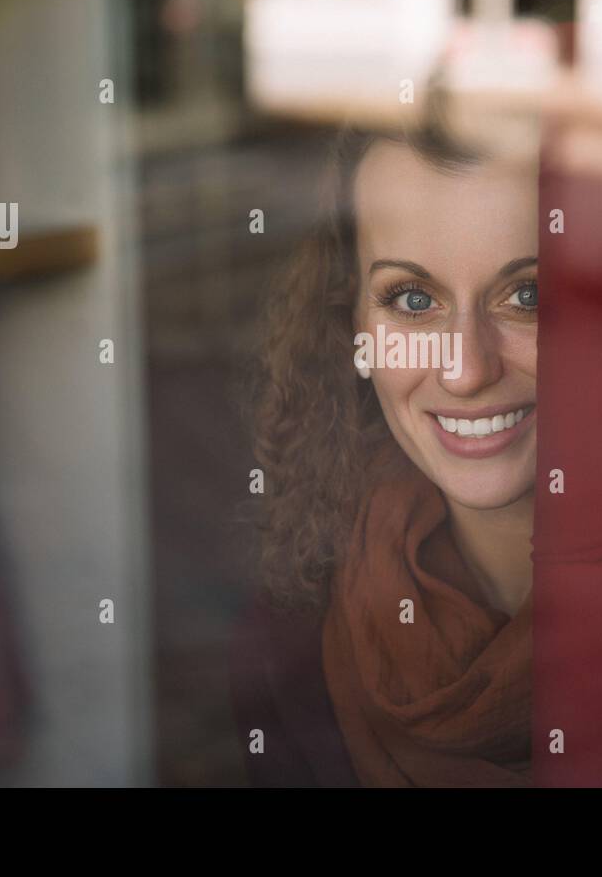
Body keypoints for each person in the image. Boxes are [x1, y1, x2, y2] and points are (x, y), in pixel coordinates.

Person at [231, 119, 539, 787]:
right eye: (414, 299)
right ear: (356, 328)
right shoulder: (294, 641)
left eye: (528, 296)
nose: (465, 370)